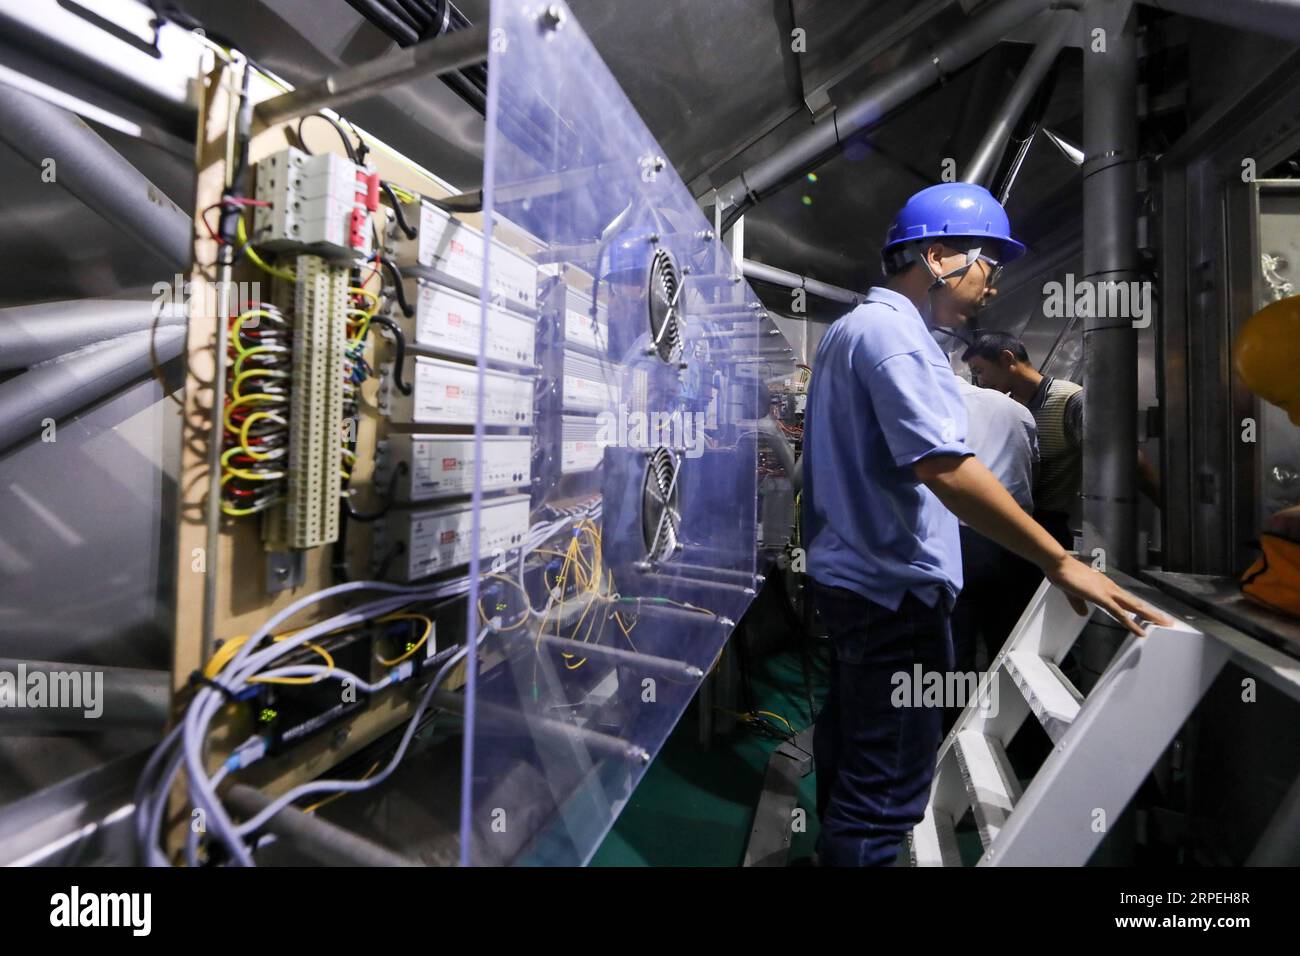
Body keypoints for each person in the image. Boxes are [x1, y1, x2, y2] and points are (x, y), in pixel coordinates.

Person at [801, 182, 1169, 867]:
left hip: (854, 588)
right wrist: (1059, 559)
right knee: (884, 798)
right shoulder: (896, 340)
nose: (993, 286)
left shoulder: (854, 331)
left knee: (853, 760)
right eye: (987, 266)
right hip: (894, 600)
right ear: (937, 257)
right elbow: (946, 469)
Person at [948, 375, 1042, 691]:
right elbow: (1033, 468)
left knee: (957, 641)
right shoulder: (1017, 410)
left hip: (961, 539)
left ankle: (953, 727)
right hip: (1018, 540)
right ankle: (1015, 729)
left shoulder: (937, 408)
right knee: (1011, 642)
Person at [960, 332, 1082, 549]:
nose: (979, 382)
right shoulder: (1003, 407)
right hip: (1004, 521)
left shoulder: (1070, 399)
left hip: (1049, 525)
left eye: (980, 371)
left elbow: (1123, 462)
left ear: (1007, 359)